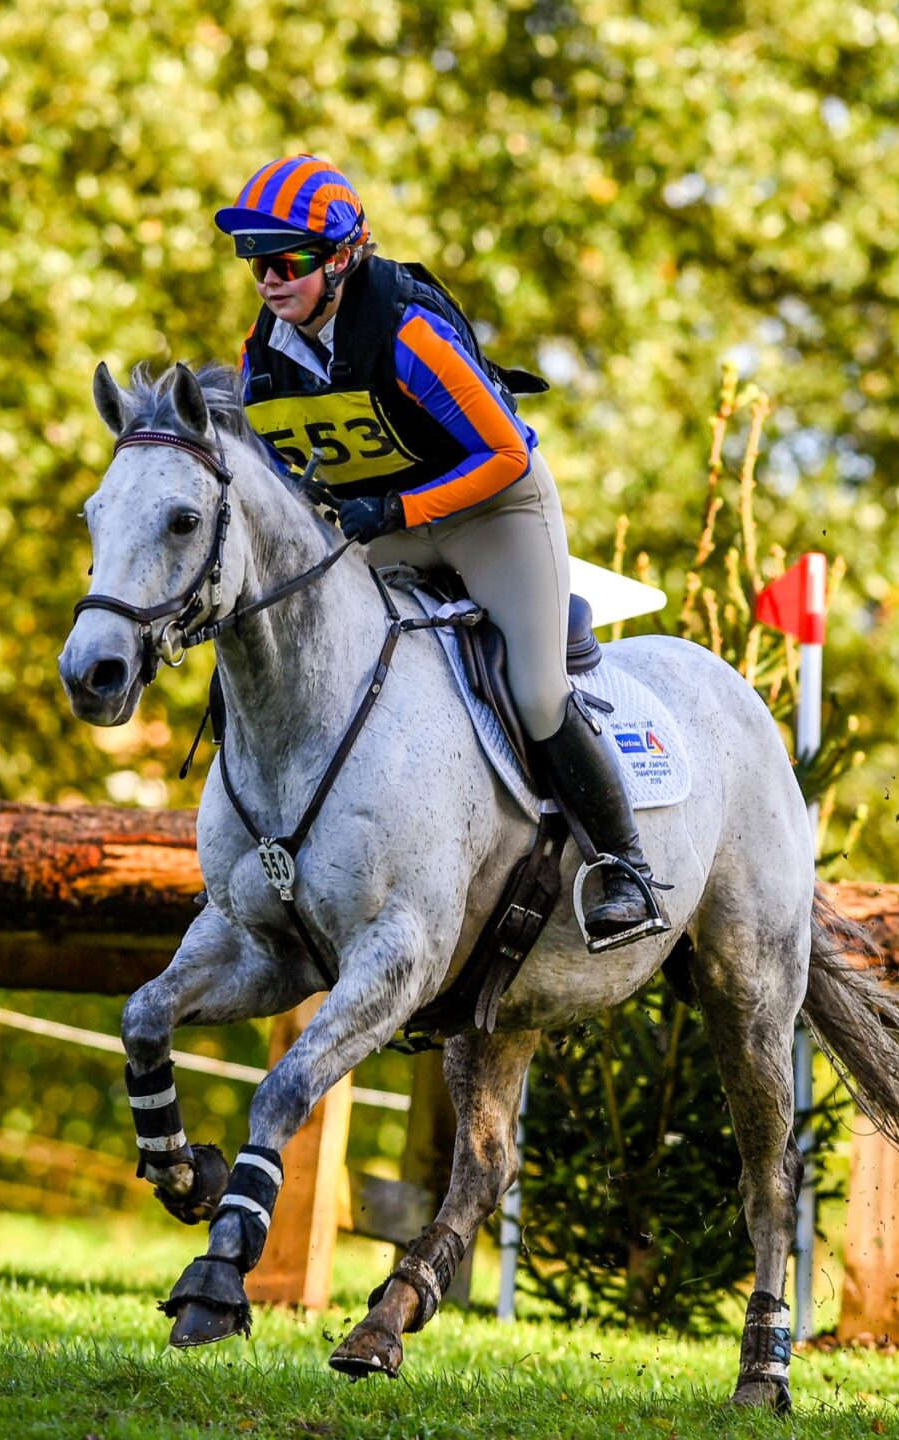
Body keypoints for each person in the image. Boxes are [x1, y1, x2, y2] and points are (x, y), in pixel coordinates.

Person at [215, 154, 663, 949]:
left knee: (532, 691)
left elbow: (506, 452)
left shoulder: (406, 329)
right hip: (385, 519)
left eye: (288, 260)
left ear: (343, 256)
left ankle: (624, 868)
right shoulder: (265, 353)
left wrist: (396, 506)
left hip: (493, 511)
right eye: (256, 262)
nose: (269, 279)